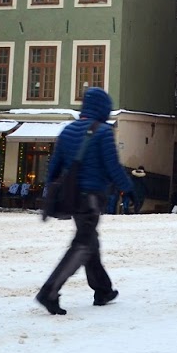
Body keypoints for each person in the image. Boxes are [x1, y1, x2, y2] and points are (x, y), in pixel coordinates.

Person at [36, 86, 132, 315]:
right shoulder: (103, 132)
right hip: (91, 198)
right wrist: (129, 188)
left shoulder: (67, 130)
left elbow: (53, 168)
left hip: (70, 197)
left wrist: (50, 195)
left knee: (90, 241)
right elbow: (112, 167)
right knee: (82, 245)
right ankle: (49, 291)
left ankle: (103, 289)